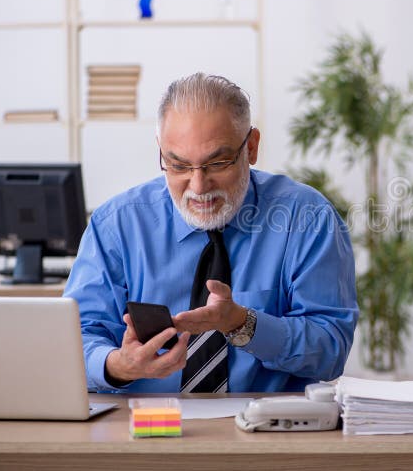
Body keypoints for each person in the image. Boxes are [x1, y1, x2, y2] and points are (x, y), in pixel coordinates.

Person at [64, 72, 358, 393]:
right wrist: (115, 366)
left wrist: (242, 324)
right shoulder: (117, 224)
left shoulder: (305, 217)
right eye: (178, 165)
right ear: (161, 152)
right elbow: (75, 337)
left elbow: (330, 350)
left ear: (252, 147)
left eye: (218, 163)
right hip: (144, 428)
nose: (199, 186)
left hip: (266, 429)